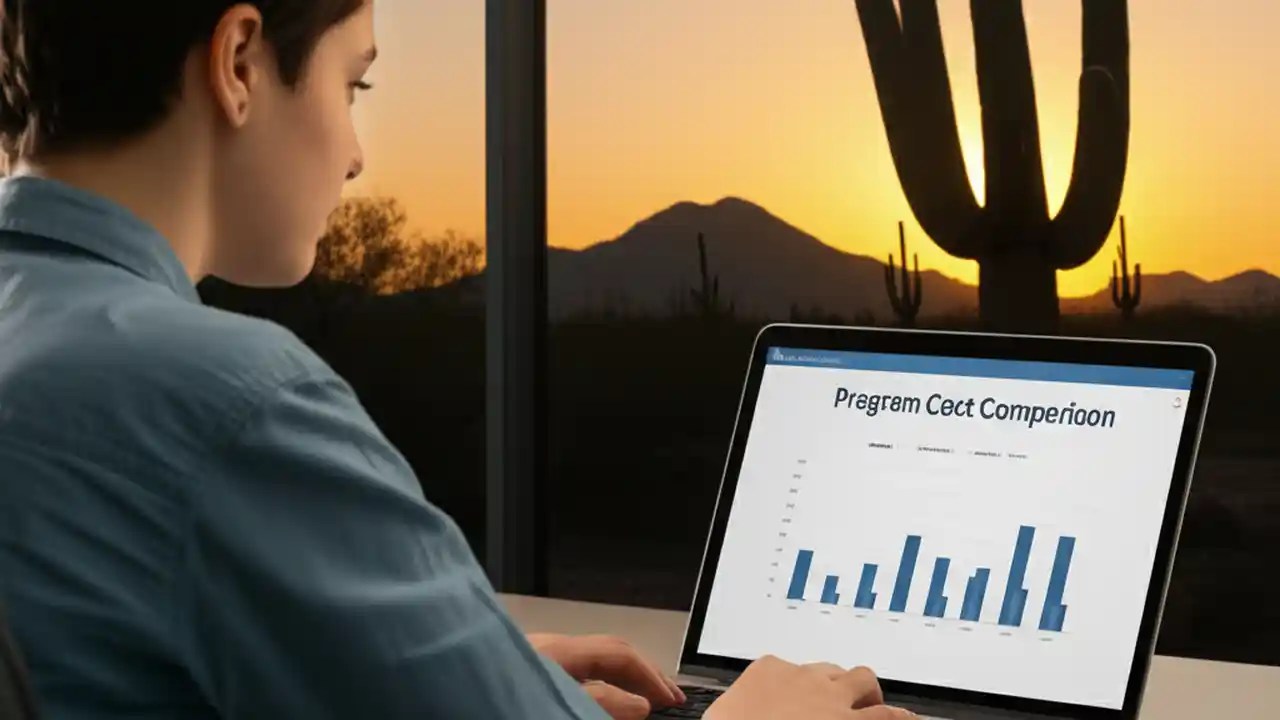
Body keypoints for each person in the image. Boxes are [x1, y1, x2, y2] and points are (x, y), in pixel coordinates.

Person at [0, 1, 915, 718]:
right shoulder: (229, 404)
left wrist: (461, 670)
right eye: (354, 84)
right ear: (240, 63)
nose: (356, 155)